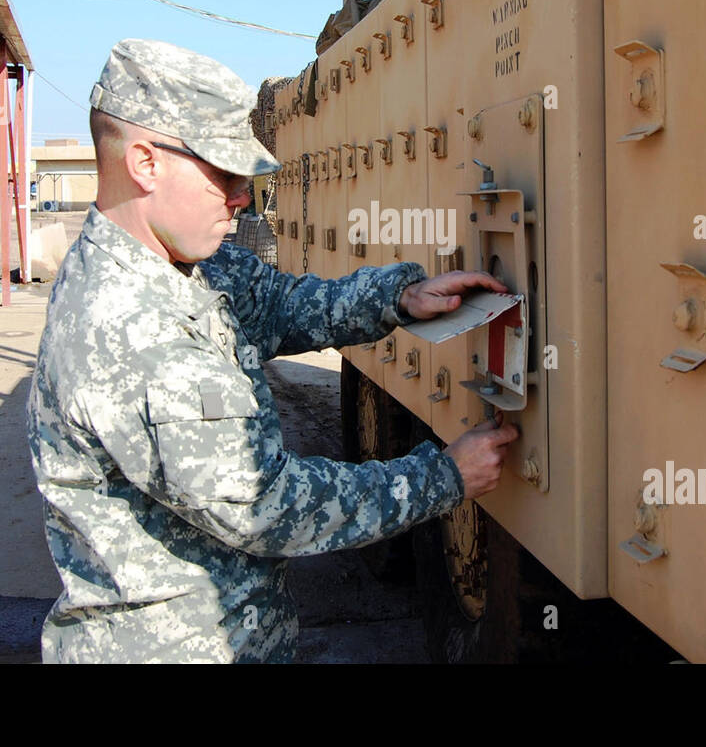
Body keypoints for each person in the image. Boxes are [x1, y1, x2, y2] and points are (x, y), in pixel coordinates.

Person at [26, 38, 519, 662]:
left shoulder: (189, 264)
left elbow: (283, 305)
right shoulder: (127, 329)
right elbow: (265, 505)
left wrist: (402, 297)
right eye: (223, 174)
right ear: (145, 164)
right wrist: (443, 477)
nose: (241, 196)